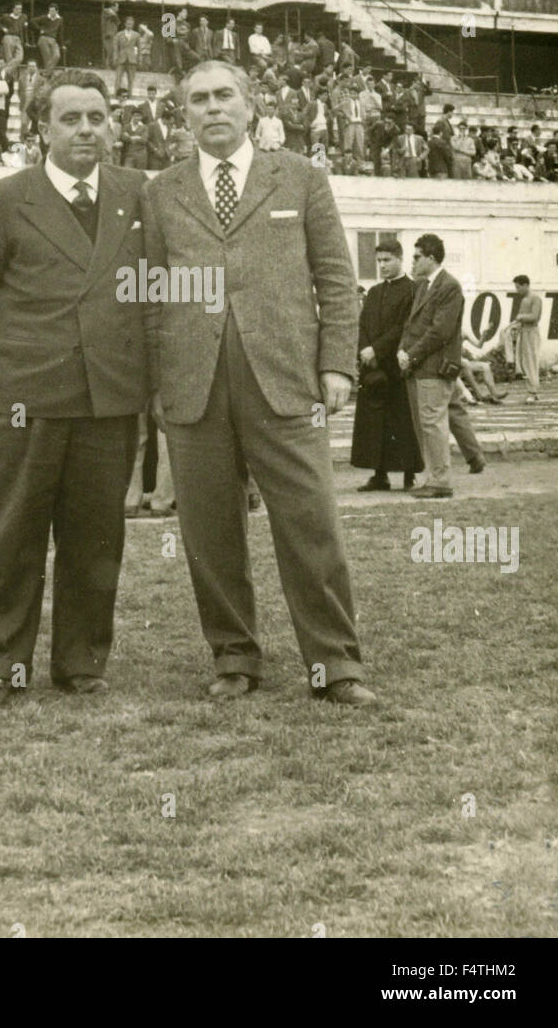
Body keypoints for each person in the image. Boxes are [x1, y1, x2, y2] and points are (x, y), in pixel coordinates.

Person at [142, 59, 375, 706]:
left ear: (250, 107)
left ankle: (335, 663)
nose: (212, 108)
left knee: (310, 524)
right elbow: (151, 292)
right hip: (194, 384)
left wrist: (335, 363)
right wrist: (157, 380)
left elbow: (335, 279)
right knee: (210, 533)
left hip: (284, 380)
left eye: (224, 97)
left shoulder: (302, 179)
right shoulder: (160, 192)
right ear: (182, 114)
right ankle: (234, 658)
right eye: (198, 100)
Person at [0, 68, 149, 707]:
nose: (87, 130)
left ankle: (81, 662)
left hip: (108, 397)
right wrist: (28, 349)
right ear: (42, 128)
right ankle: (2, 666)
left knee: (96, 539)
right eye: (71, 118)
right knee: (13, 535)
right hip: (26, 396)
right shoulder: (5, 198)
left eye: (97, 116)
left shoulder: (137, 193)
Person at [398, 235, 483, 498]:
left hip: (434, 367)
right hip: (420, 366)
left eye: (416, 256)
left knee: (432, 423)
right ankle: (435, 477)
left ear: (431, 258)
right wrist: (402, 350)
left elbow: (439, 332)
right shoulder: (424, 286)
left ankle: (440, 481)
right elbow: (412, 325)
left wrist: (409, 355)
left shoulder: (449, 287)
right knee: (428, 423)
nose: (413, 261)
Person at [351, 241, 423, 491]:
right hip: (372, 368)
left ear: (400, 259)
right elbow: (362, 324)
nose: (382, 265)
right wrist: (363, 348)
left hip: (396, 368)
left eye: (387, 260)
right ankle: (379, 475)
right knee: (374, 424)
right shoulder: (373, 292)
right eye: (379, 261)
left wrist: (377, 350)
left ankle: (408, 476)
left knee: (401, 423)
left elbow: (404, 327)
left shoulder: (412, 291)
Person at [503, 275, 542, 402]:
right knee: (524, 363)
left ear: (525, 285)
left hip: (532, 333)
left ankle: (533, 392)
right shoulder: (524, 299)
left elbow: (534, 317)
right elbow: (521, 319)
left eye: (518, 287)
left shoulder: (535, 298)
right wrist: (513, 327)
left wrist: (520, 317)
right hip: (523, 332)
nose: (517, 290)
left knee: (531, 362)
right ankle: (532, 391)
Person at [113, 16, 140, 96]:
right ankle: (116, 95)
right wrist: (115, 57)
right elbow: (115, 48)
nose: (129, 25)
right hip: (121, 59)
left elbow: (139, 48)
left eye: (131, 24)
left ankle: (129, 95)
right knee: (118, 78)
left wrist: (139, 59)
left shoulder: (136, 35)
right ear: (125, 24)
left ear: (133, 25)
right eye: (128, 23)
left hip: (132, 60)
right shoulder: (119, 34)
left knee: (131, 79)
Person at [34, 4, 63, 74]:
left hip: (53, 40)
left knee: (57, 55)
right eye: (50, 11)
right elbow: (33, 21)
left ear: (57, 11)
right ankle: (48, 75)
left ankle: (46, 72)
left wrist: (62, 44)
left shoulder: (60, 20)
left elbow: (60, 32)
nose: (51, 12)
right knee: (47, 58)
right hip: (43, 38)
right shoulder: (44, 17)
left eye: (52, 11)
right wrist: (39, 29)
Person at [0, 2, 26, 69]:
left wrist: (24, 40)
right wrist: (2, 28)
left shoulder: (23, 17)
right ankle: (9, 78)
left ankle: (4, 71)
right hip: (8, 37)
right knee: (9, 58)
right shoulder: (6, 16)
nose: (19, 11)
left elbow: (25, 28)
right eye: (17, 9)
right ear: (13, 9)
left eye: (20, 9)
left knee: (20, 58)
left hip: (18, 38)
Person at [101, 3, 120, 68]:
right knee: (110, 50)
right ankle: (108, 65)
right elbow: (117, 20)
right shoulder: (107, 12)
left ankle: (109, 65)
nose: (118, 9)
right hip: (108, 34)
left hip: (112, 34)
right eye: (117, 7)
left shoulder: (112, 14)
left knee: (111, 50)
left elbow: (117, 22)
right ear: (113, 6)